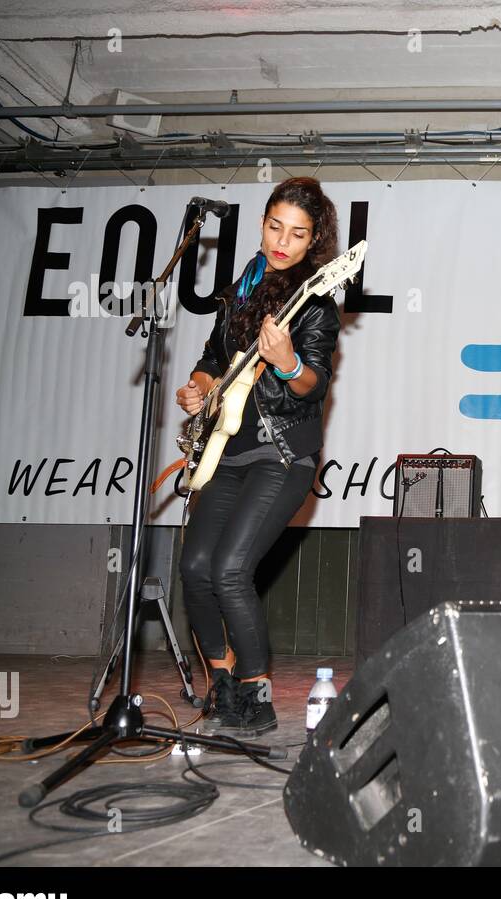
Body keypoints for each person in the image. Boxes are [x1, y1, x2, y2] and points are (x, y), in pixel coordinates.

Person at [174, 177, 341, 738]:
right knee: (195, 568)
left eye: (297, 234)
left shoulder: (315, 301)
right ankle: (220, 681)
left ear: (315, 240)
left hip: (282, 452)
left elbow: (313, 386)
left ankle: (255, 691)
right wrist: (199, 387)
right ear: (263, 221)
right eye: (275, 226)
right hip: (227, 446)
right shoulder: (243, 283)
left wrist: (289, 362)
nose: (282, 241)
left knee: (230, 569)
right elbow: (213, 354)